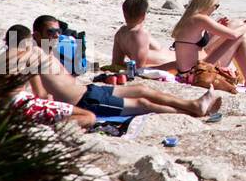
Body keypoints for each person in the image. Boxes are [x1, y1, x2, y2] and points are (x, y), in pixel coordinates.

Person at [23, 23, 221, 118]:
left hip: (89, 90)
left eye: (59, 31)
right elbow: (38, 94)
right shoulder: (33, 57)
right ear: (37, 35)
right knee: (143, 103)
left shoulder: (49, 54)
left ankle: (193, 104)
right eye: (52, 32)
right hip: (85, 102)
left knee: (143, 88)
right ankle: (191, 112)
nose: (57, 35)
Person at [170, 0, 246, 91]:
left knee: (236, 24)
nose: (215, 9)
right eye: (216, 6)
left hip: (188, 70)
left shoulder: (189, 18)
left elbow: (197, 46)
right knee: (240, 36)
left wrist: (214, 32)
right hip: (196, 73)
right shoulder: (201, 19)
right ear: (209, 4)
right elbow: (234, 35)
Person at [111, 0, 177, 70]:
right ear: (144, 16)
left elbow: (116, 63)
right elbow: (139, 68)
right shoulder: (140, 33)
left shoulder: (120, 34)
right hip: (176, 60)